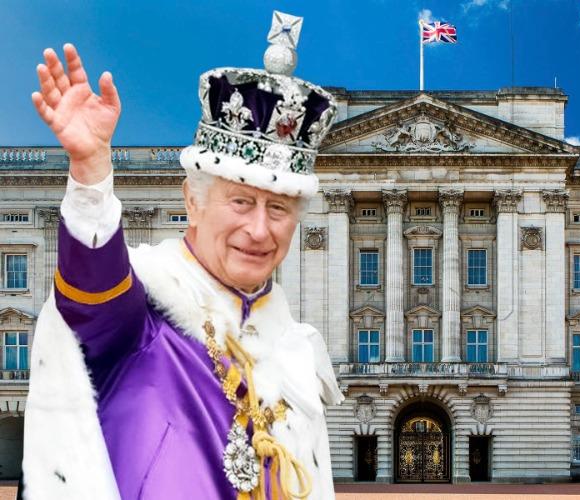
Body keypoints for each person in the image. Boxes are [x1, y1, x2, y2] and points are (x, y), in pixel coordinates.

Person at [23, 11, 342, 500]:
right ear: (192, 201)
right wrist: (90, 174)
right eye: (240, 201)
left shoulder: (295, 354)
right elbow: (92, 294)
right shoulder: (143, 317)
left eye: (278, 208)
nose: (259, 230)